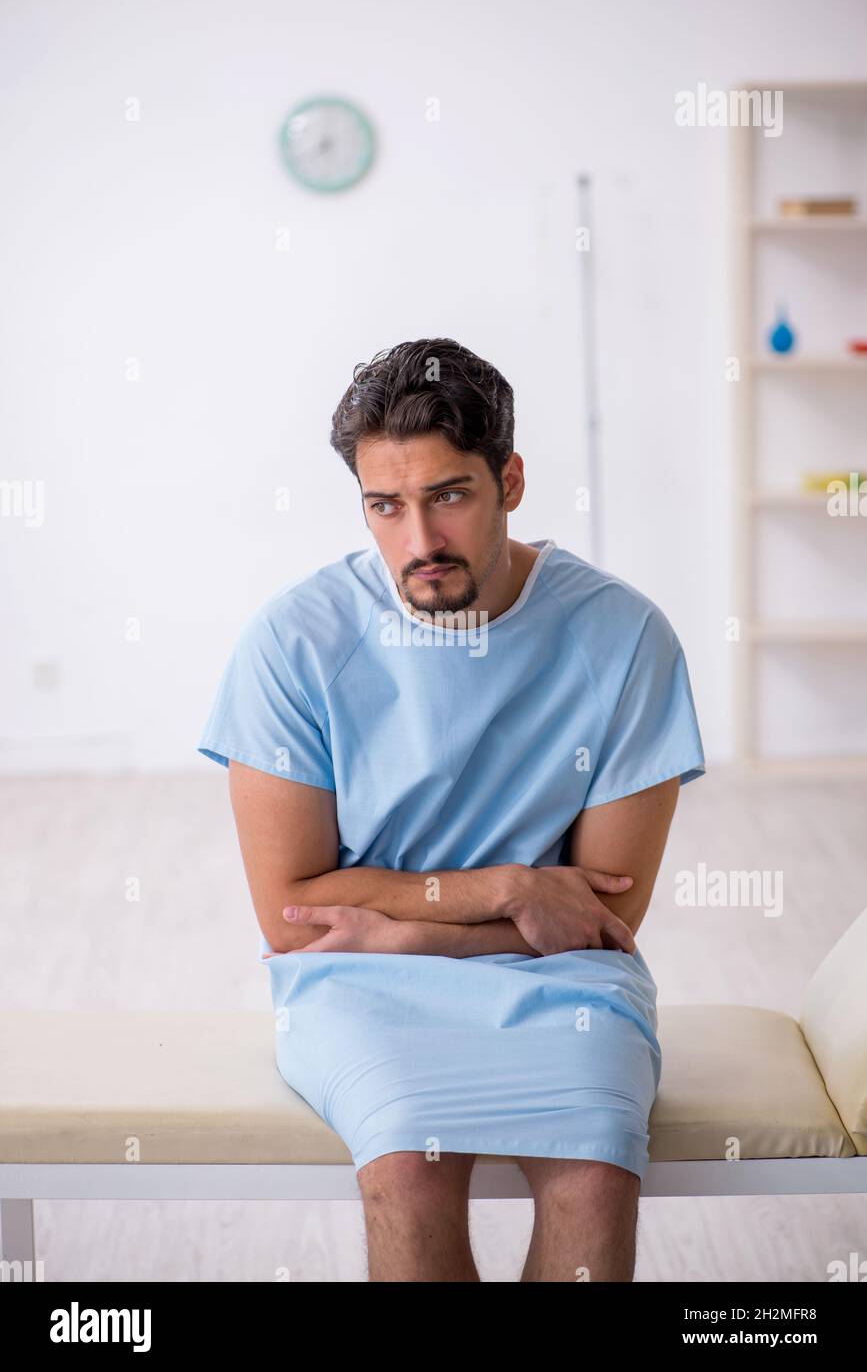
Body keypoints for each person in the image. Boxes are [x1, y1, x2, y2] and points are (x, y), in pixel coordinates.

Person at [197, 336, 706, 1282]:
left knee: (594, 1170)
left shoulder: (624, 637)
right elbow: (294, 912)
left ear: (509, 481)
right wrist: (506, 890)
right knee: (410, 1166)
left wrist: (407, 930)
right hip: (354, 980)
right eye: (385, 507)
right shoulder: (293, 643)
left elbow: (604, 920)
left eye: (449, 497)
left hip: (562, 983)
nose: (418, 543)